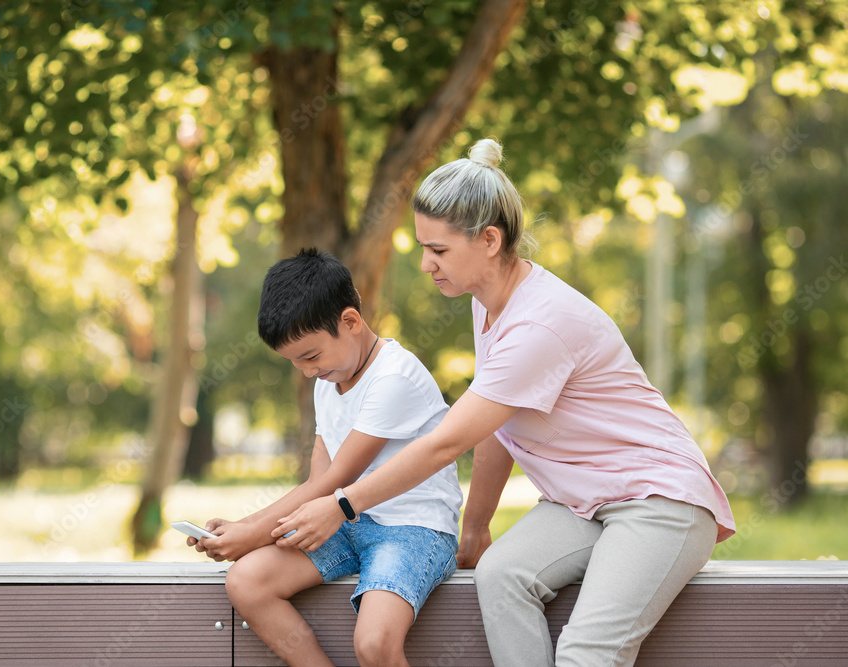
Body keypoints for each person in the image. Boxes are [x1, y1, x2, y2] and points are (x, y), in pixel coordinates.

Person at [274, 140, 736, 667]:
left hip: (660, 501)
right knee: (501, 576)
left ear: (489, 240)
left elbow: (447, 442)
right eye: (423, 247)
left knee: (587, 651)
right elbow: (496, 426)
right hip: (583, 500)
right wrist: (474, 528)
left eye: (439, 250)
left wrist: (342, 504)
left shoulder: (537, 325)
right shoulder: (490, 304)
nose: (426, 264)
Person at [186, 249, 464, 667]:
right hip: (343, 522)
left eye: (311, 356)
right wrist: (240, 529)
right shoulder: (329, 379)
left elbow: (336, 478)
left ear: (350, 322)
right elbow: (316, 485)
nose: (306, 371)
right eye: (295, 361)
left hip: (412, 530)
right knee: (246, 581)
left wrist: (251, 533)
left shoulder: (394, 378)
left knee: (373, 644)